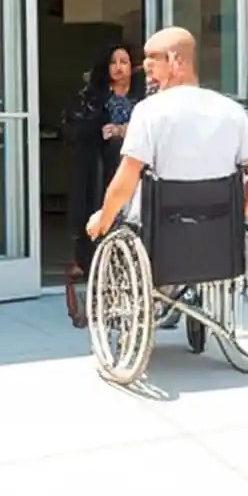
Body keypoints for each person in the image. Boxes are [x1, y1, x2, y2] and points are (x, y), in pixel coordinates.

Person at [85, 26, 248, 242]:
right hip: (217, 242)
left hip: (158, 239)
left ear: (175, 60)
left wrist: (104, 219)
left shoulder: (149, 111)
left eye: (152, 63)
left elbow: (126, 180)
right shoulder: (232, 112)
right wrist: (231, 221)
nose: (147, 74)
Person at [63, 43, 145, 328]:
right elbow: (75, 129)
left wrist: (123, 131)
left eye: (125, 61)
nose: (119, 67)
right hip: (102, 173)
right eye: (114, 62)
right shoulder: (94, 99)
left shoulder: (144, 99)